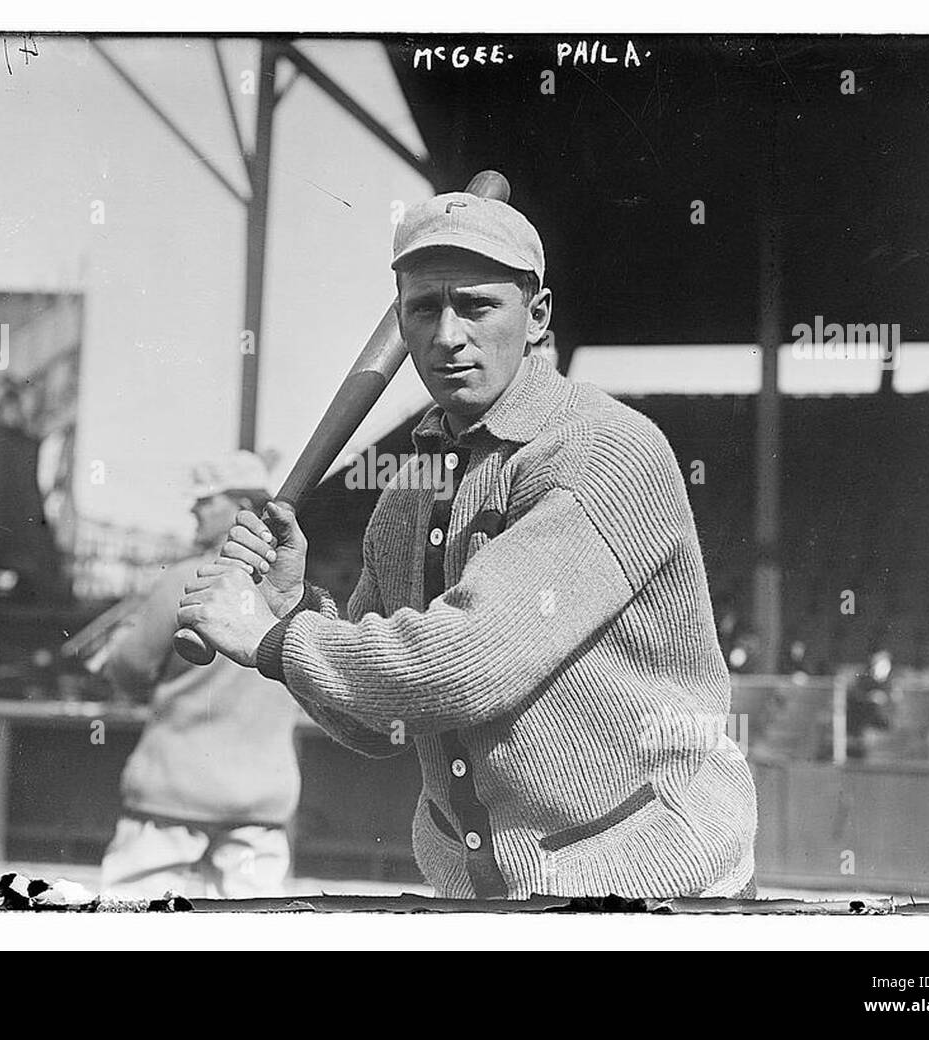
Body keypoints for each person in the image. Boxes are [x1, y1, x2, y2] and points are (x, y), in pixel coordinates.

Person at [176, 191, 758, 900]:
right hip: (483, 889)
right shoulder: (406, 494)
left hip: (646, 875)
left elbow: (466, 664)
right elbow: (382, 725)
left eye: (477, 305)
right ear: (401, 320)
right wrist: (293, 607)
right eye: (424, 309)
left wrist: (271, 641)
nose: (447, 334)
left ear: (537, 315)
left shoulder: (605, 451)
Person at [99, 452, 302, 900]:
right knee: (255, 933)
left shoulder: (191, 577)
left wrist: (118, 654)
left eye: (205, 501)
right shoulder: (293, 587)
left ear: (241, 509)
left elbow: (130, 667)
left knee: (126, 929)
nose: (193, 510)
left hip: (173, 795)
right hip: (262, 799)